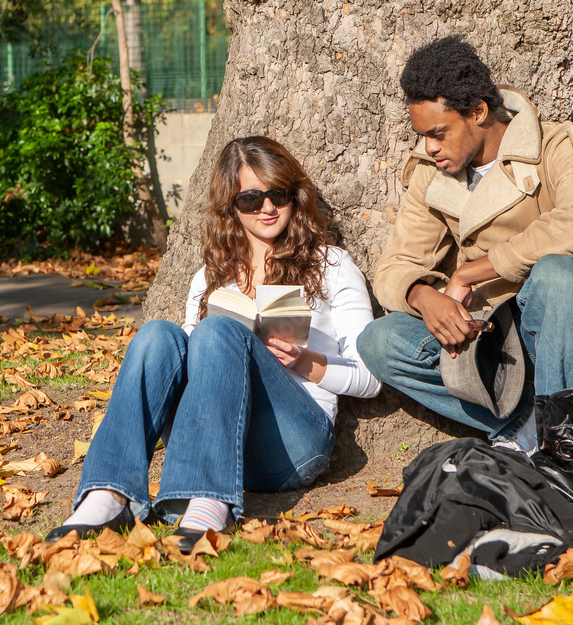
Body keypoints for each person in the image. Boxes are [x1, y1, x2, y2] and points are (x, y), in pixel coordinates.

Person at [45, 136, 381, 553]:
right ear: (231, 208)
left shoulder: (331, 266)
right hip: (216, 438)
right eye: (250, 199)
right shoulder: (210, 277)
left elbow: (371, 378)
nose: (266, 208)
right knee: (157, 336)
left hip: (293, 443)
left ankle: (207, 502)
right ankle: (108, 496)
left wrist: (305, 361)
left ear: (295, 195)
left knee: (219, 332)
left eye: (277, 194)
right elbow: (182, 363)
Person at [356, 36, 573, 450]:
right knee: (378, 341)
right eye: (423, 135)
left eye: (439, 133)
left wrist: (470, 271)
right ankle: (524, 428)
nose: (430, 147)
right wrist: (423, 297)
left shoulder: (555, 145)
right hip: (488, 333)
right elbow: (395, 266)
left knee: (557, 273)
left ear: (478, 112)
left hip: (562, 317)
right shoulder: (433, 171)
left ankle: (562, 443)